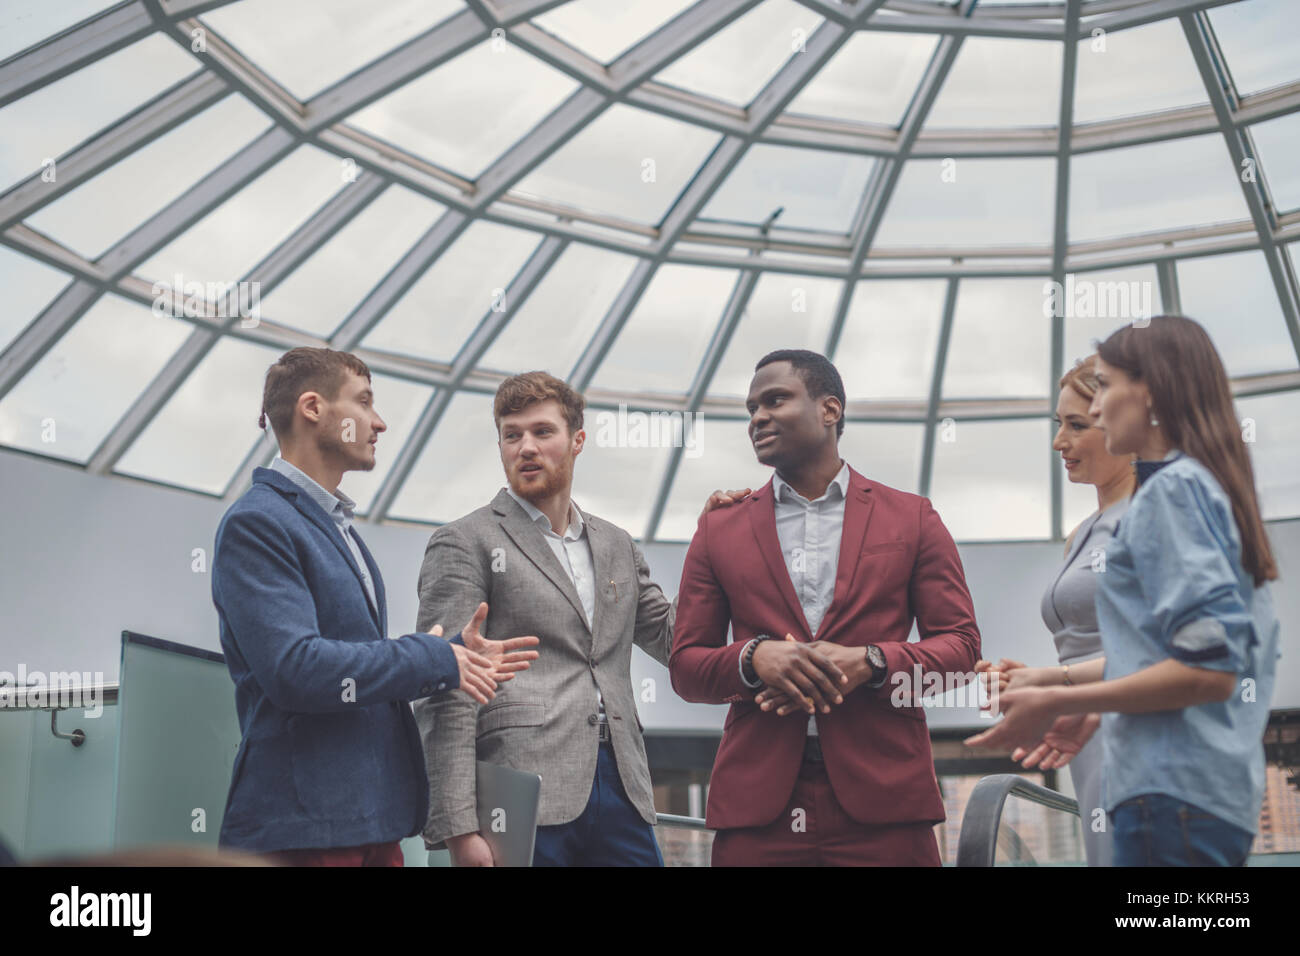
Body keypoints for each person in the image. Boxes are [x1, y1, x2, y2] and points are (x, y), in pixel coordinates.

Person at [966, 315, 1281, 867]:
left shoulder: (1173, 492)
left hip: (1170, 793)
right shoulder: (1199, 488)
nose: (1095, 409)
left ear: (1151, 395)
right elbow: (1178, 656)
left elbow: (1209, 670)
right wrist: (1065, 693)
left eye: (1105, 387)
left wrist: (1061, 697)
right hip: (1192, 792)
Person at [212, 347, 538, 865]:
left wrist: (455, 656)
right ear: (313, 408)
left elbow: (352, 661)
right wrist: (430, 659)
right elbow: (295, 669)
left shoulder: (339, 530)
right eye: (364, 402)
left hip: (367, 822)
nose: (380, 422)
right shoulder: (258, 522)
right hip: (306, 829)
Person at [670, 349, 981, 866]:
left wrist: (872, 662)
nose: (757, 418)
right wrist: (753, 658)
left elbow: (962, 649)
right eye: (751, 409)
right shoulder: (718, 527)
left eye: (775, 400)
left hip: (886, 805)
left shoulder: (913, 517)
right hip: (758, 810)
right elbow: (685, 667)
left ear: (830, 409)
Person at [413, 371, 679, 867]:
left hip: (623, 784)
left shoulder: (616, 544)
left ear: (578, 440)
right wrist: (456, 828)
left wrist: (715, 548)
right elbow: (443, 686)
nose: (525, 447)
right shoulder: (464, 542)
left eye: (542, 432)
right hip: (520, 793)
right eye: (512, 436)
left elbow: (672, 640)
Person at [974, 355, 1135, 867]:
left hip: (1148, 731)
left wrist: (1053, 682)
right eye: (1057, 424)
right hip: (1087, 740)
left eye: (1076, 425)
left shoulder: (1157, 516)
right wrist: (1040, 684)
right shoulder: (1081, 534)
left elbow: (1170, 653)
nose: (1058, 441)